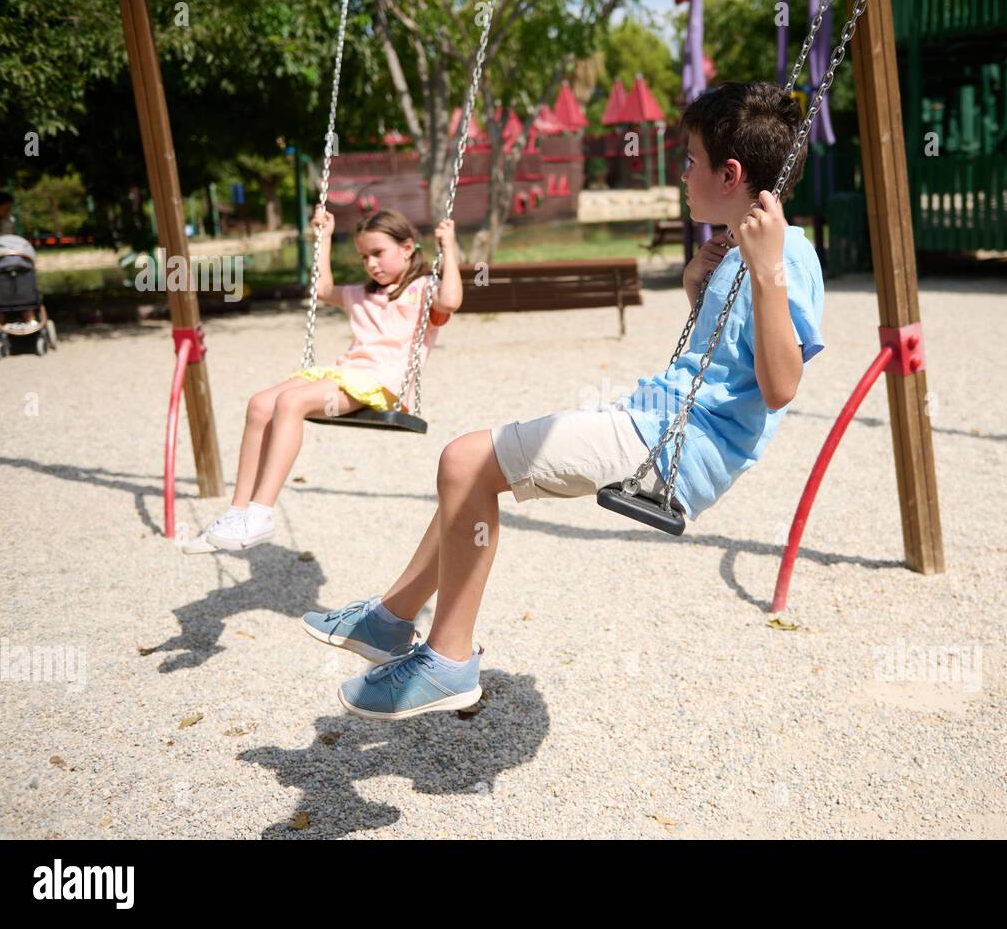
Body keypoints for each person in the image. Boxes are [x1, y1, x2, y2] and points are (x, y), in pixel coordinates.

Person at [303, 81, 828, 719]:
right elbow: (728, 363)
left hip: (669, 448)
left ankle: (445, 659)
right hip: (654, 422)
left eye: (690, 159)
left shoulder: (785, 255)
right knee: (466, 469)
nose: (682, 173)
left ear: (732, 173)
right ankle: (391, 620)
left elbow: (780, 386)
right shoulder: (737, 249)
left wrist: (768, 266)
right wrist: (698, 286)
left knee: (463, 462)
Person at [182, 207, 463, 554]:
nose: (371, 264)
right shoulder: (360, 295)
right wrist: (324, 237)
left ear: (407, 248)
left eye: (378, 253)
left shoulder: (422, 290)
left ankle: (261, 512)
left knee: (291, 403)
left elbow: (451, 301)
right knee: (259, 404)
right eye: (364, 257)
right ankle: (237, 513)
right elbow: (323, 287)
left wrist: (448, 247)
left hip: (380, 383)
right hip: (345, 373)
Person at [0, 191, 38, 330]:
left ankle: (29, 317)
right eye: (6, 208)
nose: (8, 211)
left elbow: (13, 241)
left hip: (9, 260)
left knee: (23, 277)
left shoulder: (10, 221)